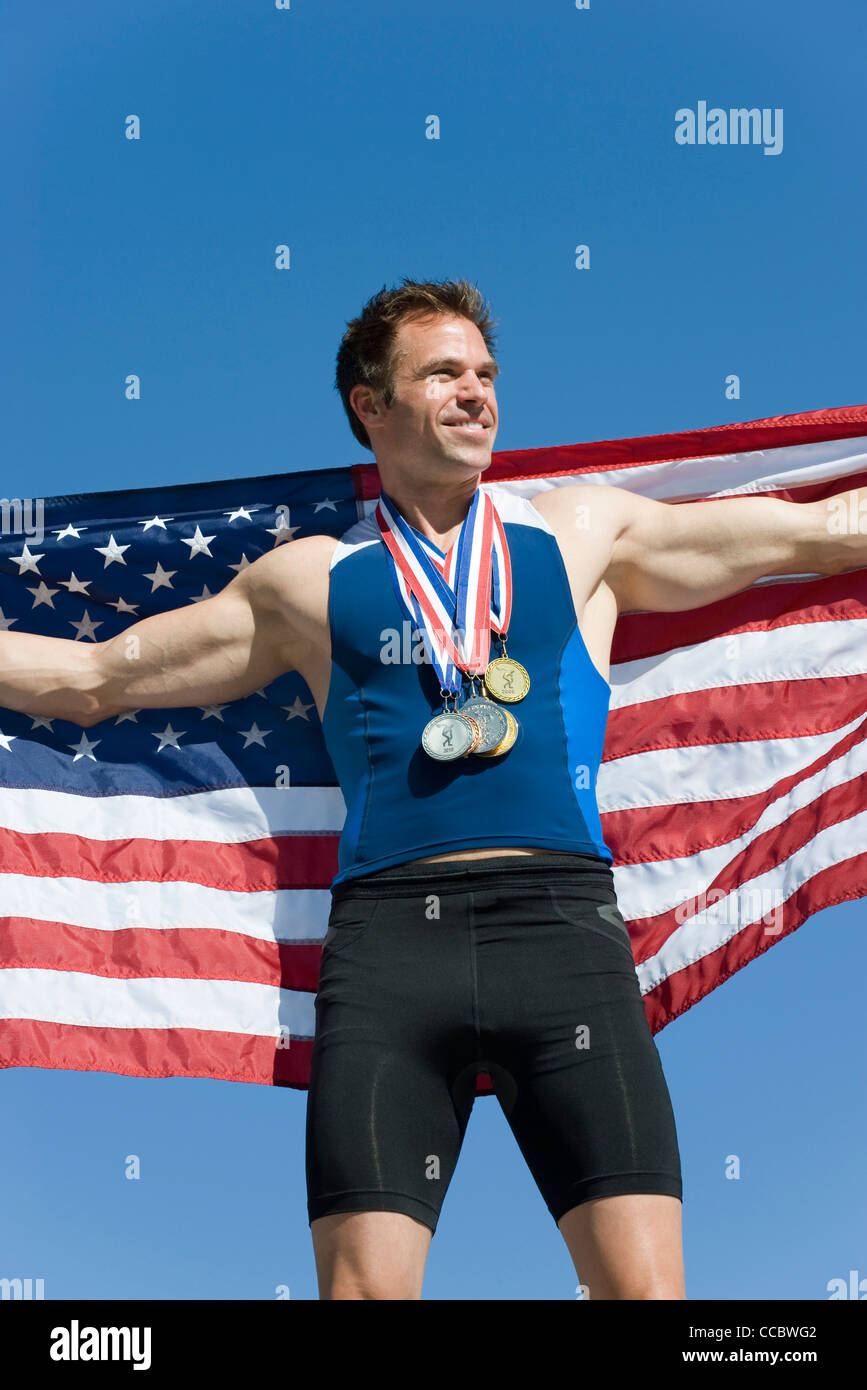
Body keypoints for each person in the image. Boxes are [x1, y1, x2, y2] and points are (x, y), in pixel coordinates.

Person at [0, 278, 844, 1300]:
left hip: (563, 935)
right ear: (373, 404)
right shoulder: (308, 582)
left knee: (648, 1298)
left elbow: (816, 535)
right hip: (390, 953)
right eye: (443, 372)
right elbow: (99, 679)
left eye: (486, 374)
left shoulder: (583, 532)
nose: (476, 392)